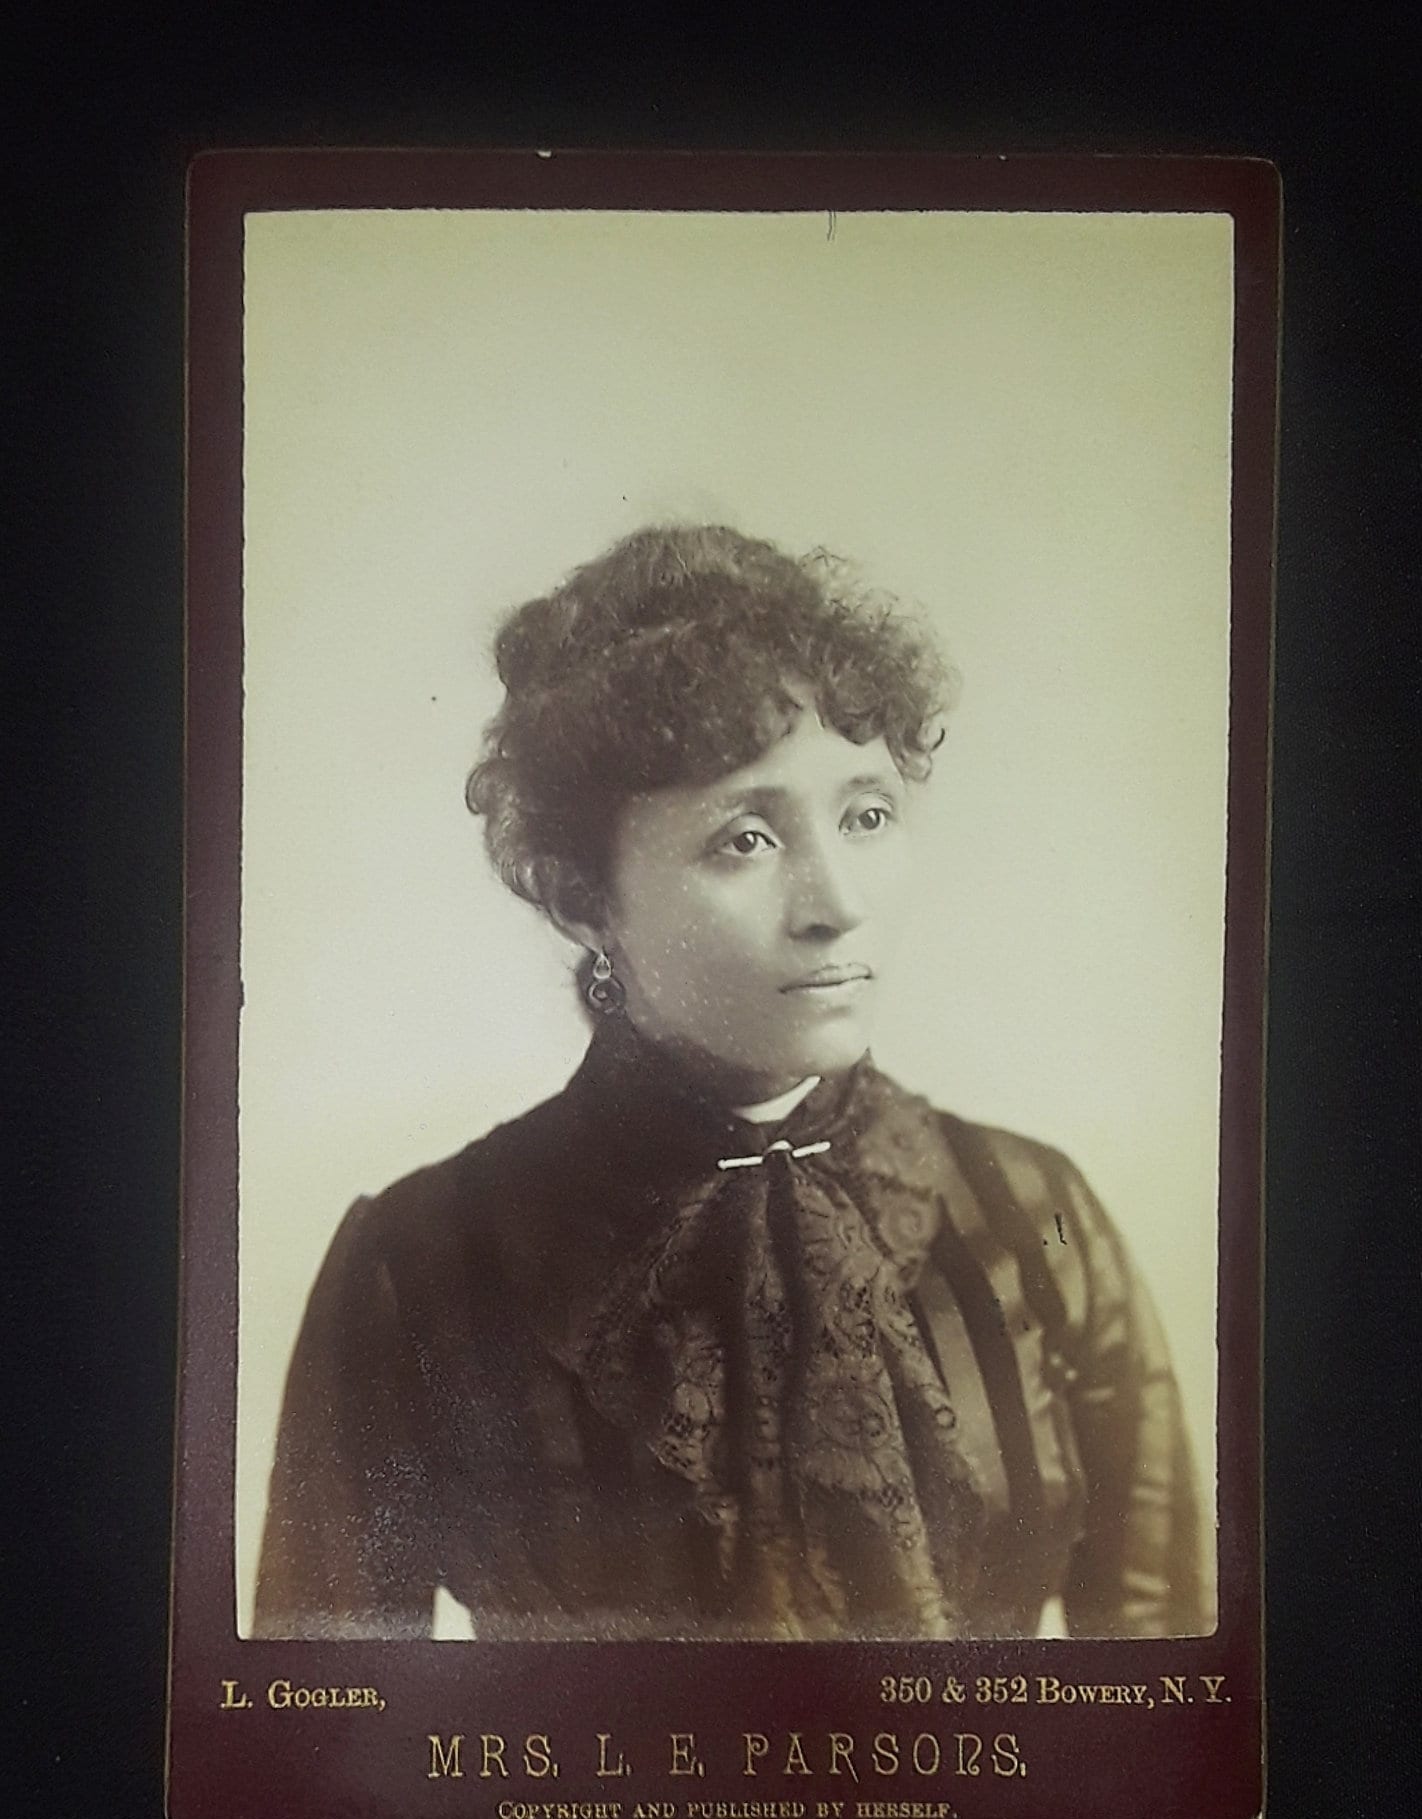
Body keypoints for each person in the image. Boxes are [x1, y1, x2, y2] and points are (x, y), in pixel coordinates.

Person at [254, 524, 1209, 1642]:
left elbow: (1157, 1682)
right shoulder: (417, 1268)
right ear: (580, 896)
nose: (835, 901)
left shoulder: (1038, 1217)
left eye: (865, 814)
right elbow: (325, 1730)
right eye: (746, 838)